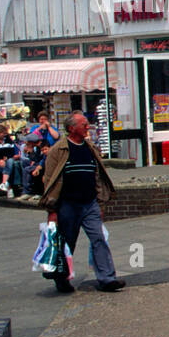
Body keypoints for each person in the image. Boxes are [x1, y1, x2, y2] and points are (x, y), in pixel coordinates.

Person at [39, 111, 124, 293]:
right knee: (67, 243)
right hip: (67, 205)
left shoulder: (89, 147)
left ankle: (107, 279)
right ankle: (61, 279)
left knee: (99, 239)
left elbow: (97, 177)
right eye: (84, 125)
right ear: (71, 128)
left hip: (90, 203)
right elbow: (49, 181)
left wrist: (100, 203)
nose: (87, 127)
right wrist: (52, 210)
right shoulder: (58, 150)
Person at [0, 124, 24, 196]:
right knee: (11, 166)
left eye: (4, 133)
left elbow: (11, 152)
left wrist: (7, 157)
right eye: (2, 133)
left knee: (12, 163)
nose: (4, 135)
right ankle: (12, 187)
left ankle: (5, 184)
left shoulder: (8, 140)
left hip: (7, 160)